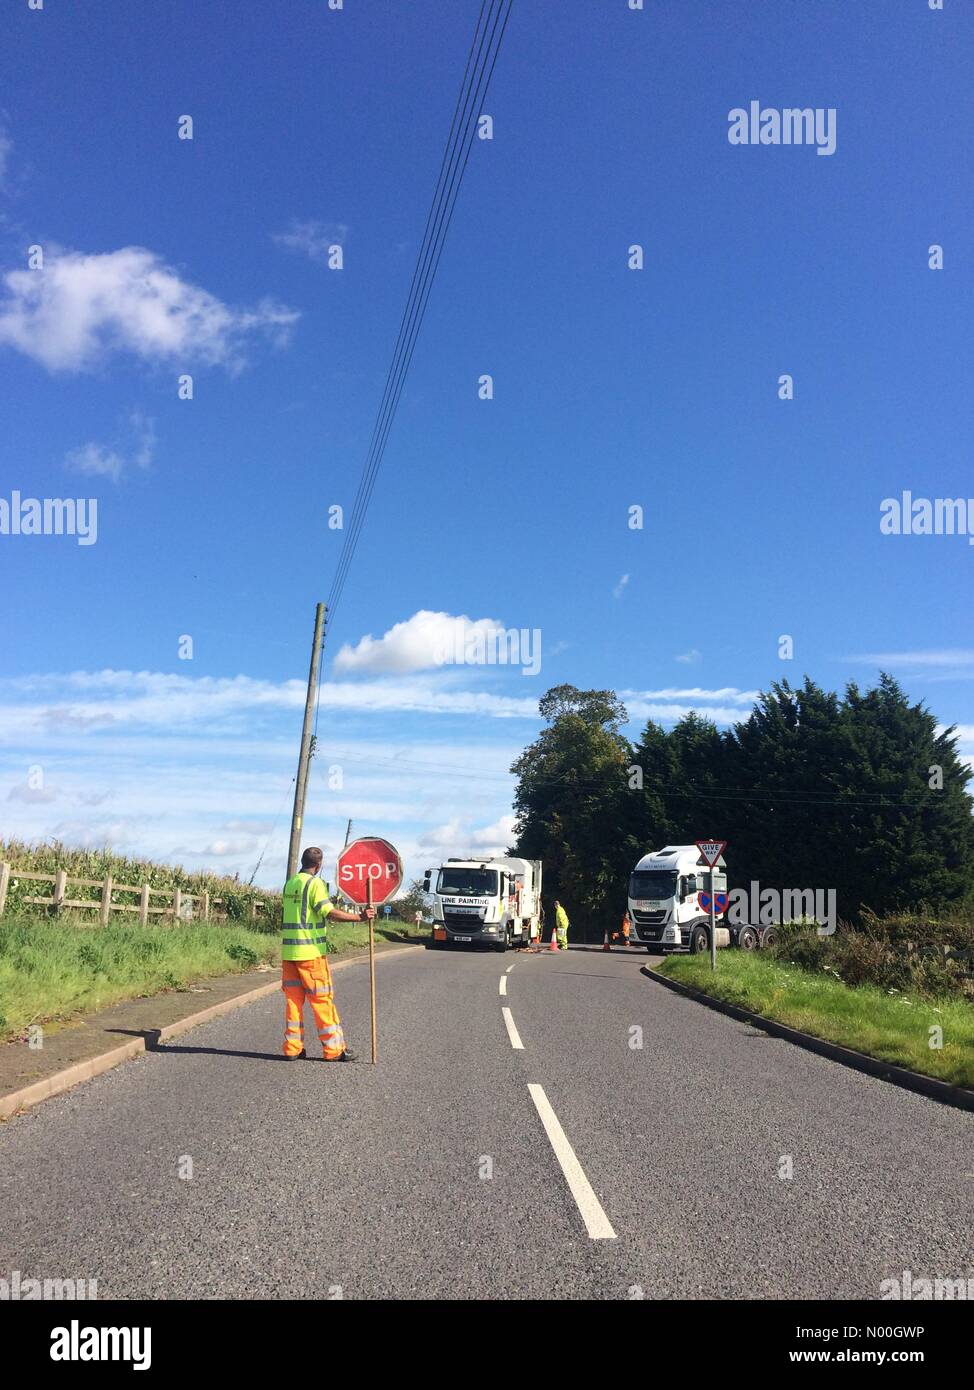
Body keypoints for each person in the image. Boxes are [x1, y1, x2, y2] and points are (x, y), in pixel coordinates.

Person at [281, 846, 374, 1062]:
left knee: (293, 1002)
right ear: (319, 865)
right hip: (311, 954)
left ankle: (292, 1048)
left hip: (289, 954)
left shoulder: (290, 883)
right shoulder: (316, 884)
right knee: (322, 1001)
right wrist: (359, 918)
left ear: (302, 862)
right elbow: (328, 912)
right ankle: (334, 1050)